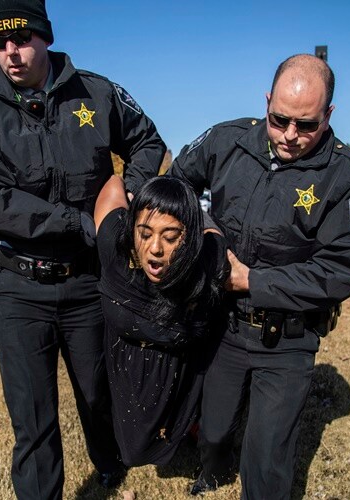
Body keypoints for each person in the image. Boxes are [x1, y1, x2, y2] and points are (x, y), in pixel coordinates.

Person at [0, 1, 166, 498]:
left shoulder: (96, 92)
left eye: (21, 38)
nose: (11, 52)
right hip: (18, 287)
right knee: (33, 416)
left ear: (45, 36)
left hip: (87, 281)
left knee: (98, 394)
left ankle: (110, 463)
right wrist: (76, 222)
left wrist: (123, 203)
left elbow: (147, 142)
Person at [169, 54, 350, 499]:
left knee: (266, 461)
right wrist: (206, 229)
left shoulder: (343, 177)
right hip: (225, 324)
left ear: (329, 115)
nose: (289, 135)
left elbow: (341, 270)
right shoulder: (227, 140)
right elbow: (177, 182)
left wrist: (253, 281)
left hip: (288, 337)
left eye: (306, 124)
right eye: (279, 119)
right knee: (214, 429)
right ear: (267, 101)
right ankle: (214, 470)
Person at [94, 175, 227, 468]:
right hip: (126, 361)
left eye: (170, 237)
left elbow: (213, 235)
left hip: (179, 367)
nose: (155, 248)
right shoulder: (114, 247)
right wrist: (137, 192)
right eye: (145, 233)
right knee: (132, 449)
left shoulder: (210, 261)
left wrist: (189, 209)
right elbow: (113, 182)